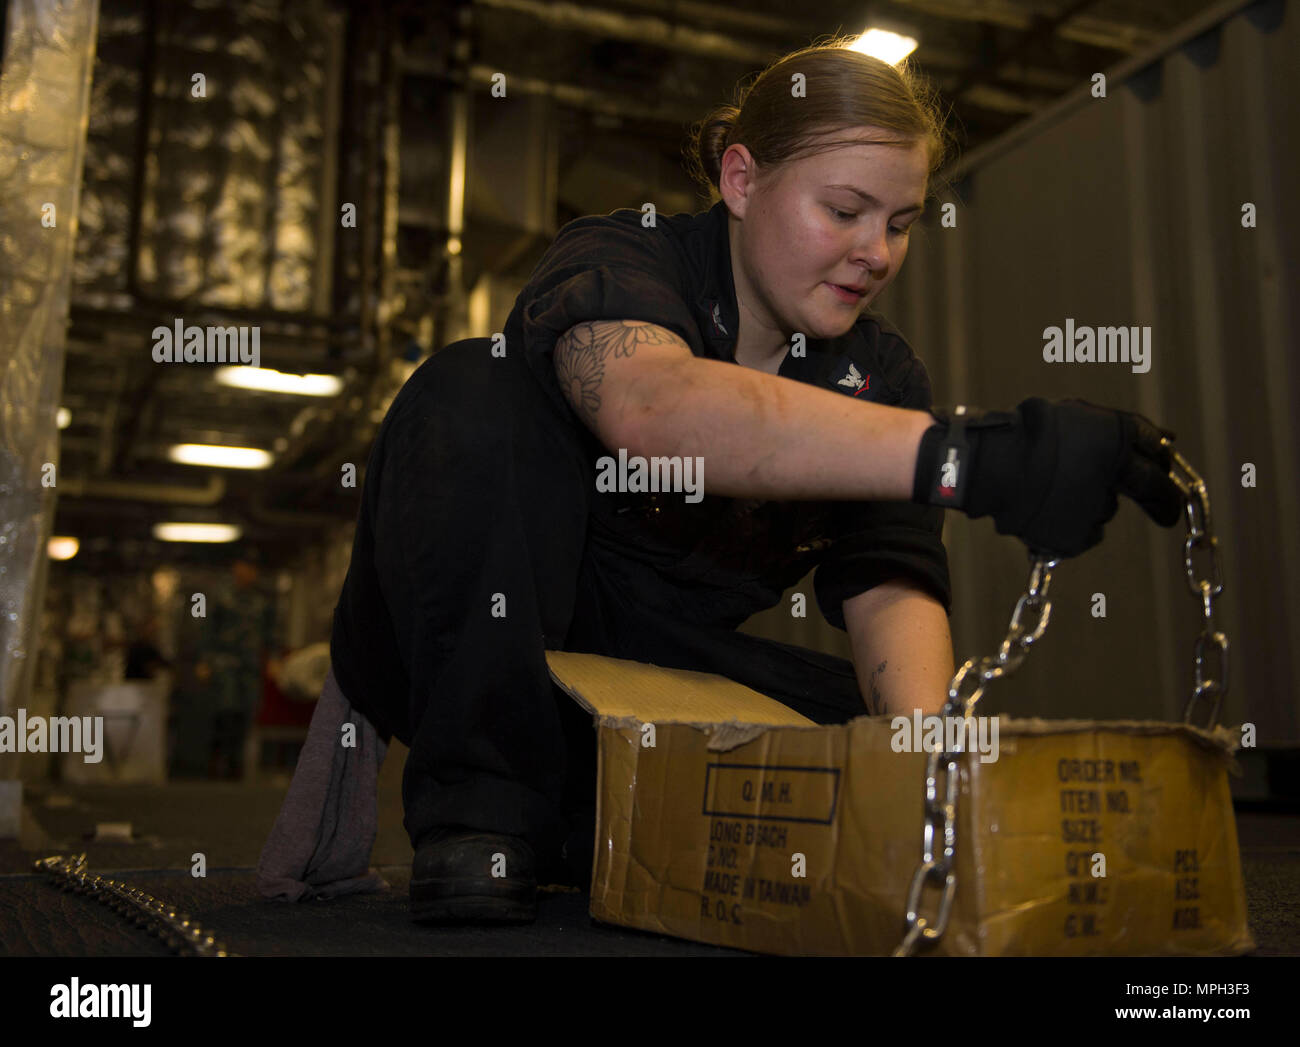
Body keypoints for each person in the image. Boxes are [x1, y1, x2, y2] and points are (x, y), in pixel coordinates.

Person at [328, 41, 1181, 925]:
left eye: (901, 221)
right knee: (469, 382)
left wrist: (932, 778)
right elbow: (655, 410)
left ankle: (602, 825)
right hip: (498, 647)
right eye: (845, 210)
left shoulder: (880, 375)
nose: (877, 252)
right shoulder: (627, 256)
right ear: (740, 180)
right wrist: (974, 459)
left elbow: (889, 587)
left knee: (862, 742)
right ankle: (485, 814)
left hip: (652, 678)